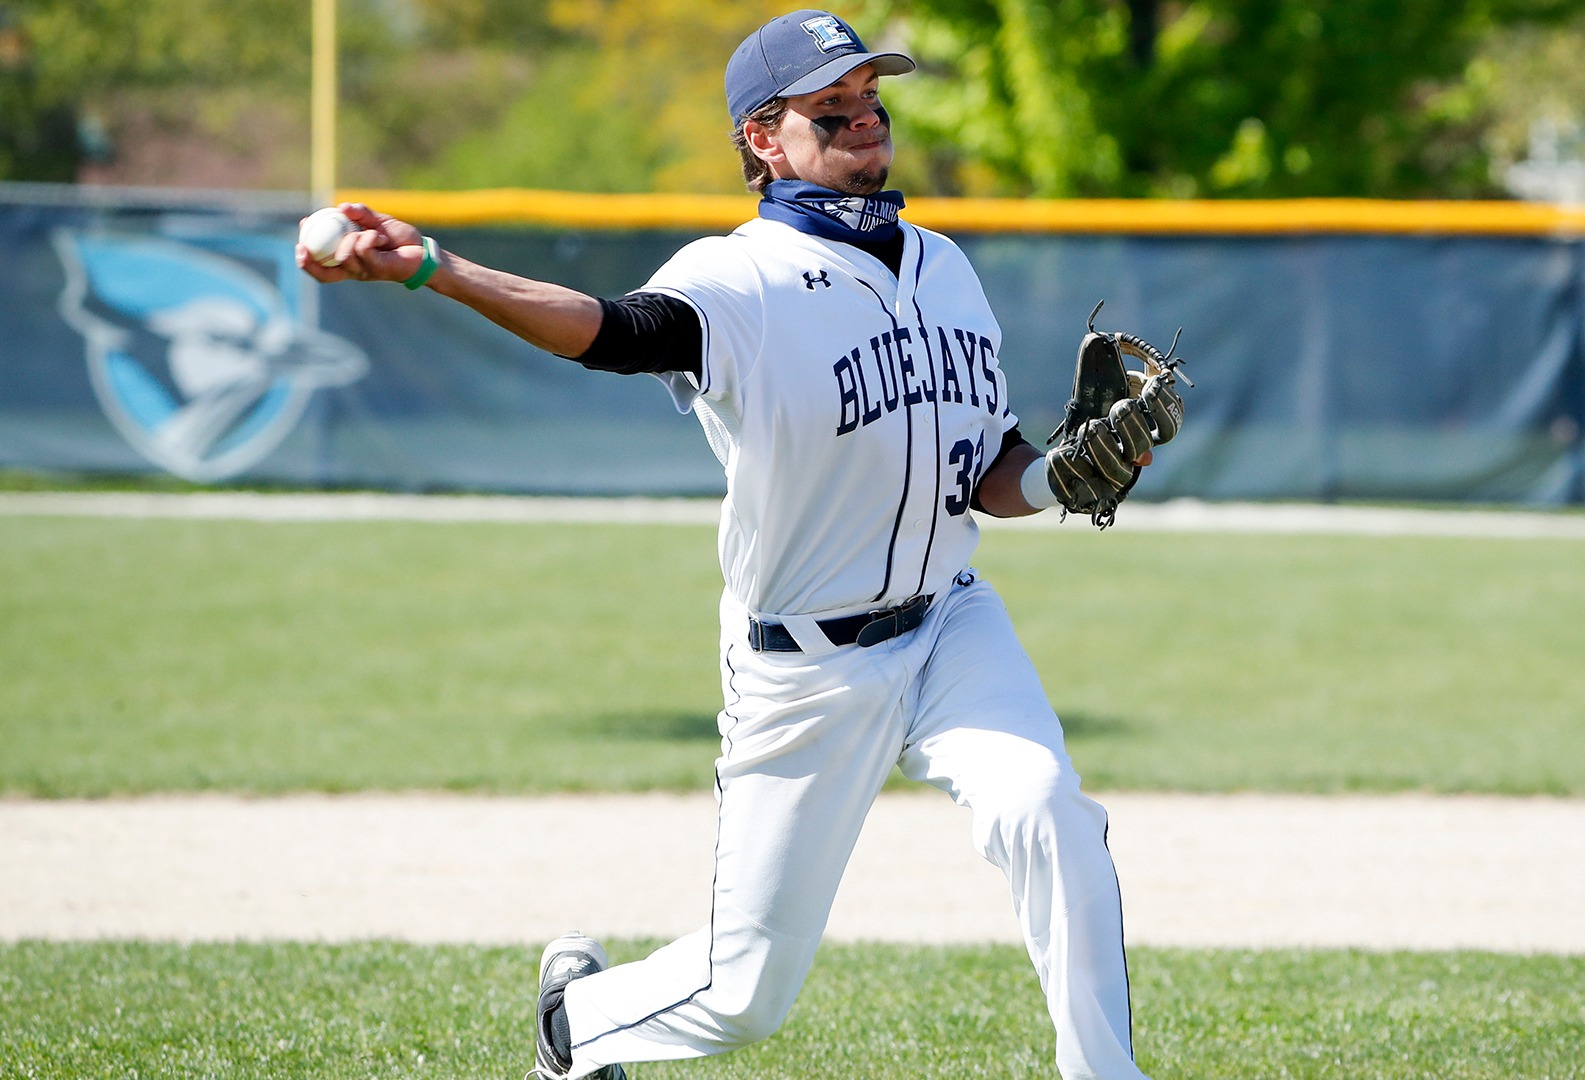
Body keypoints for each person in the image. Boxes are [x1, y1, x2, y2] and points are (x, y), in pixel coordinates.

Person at [297, 11, 1170, 1079]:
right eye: (831, 108)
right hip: (807, 666)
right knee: (742, 996)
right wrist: (439, 267)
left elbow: (989, 468)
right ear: (762, 137)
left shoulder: (944, 268)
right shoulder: (737, 278)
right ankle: (577, 1026)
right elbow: (612, 331)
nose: (865, 123)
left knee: (1049, 812)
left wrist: (1064, 475)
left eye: (872, 101)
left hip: (950, 624)